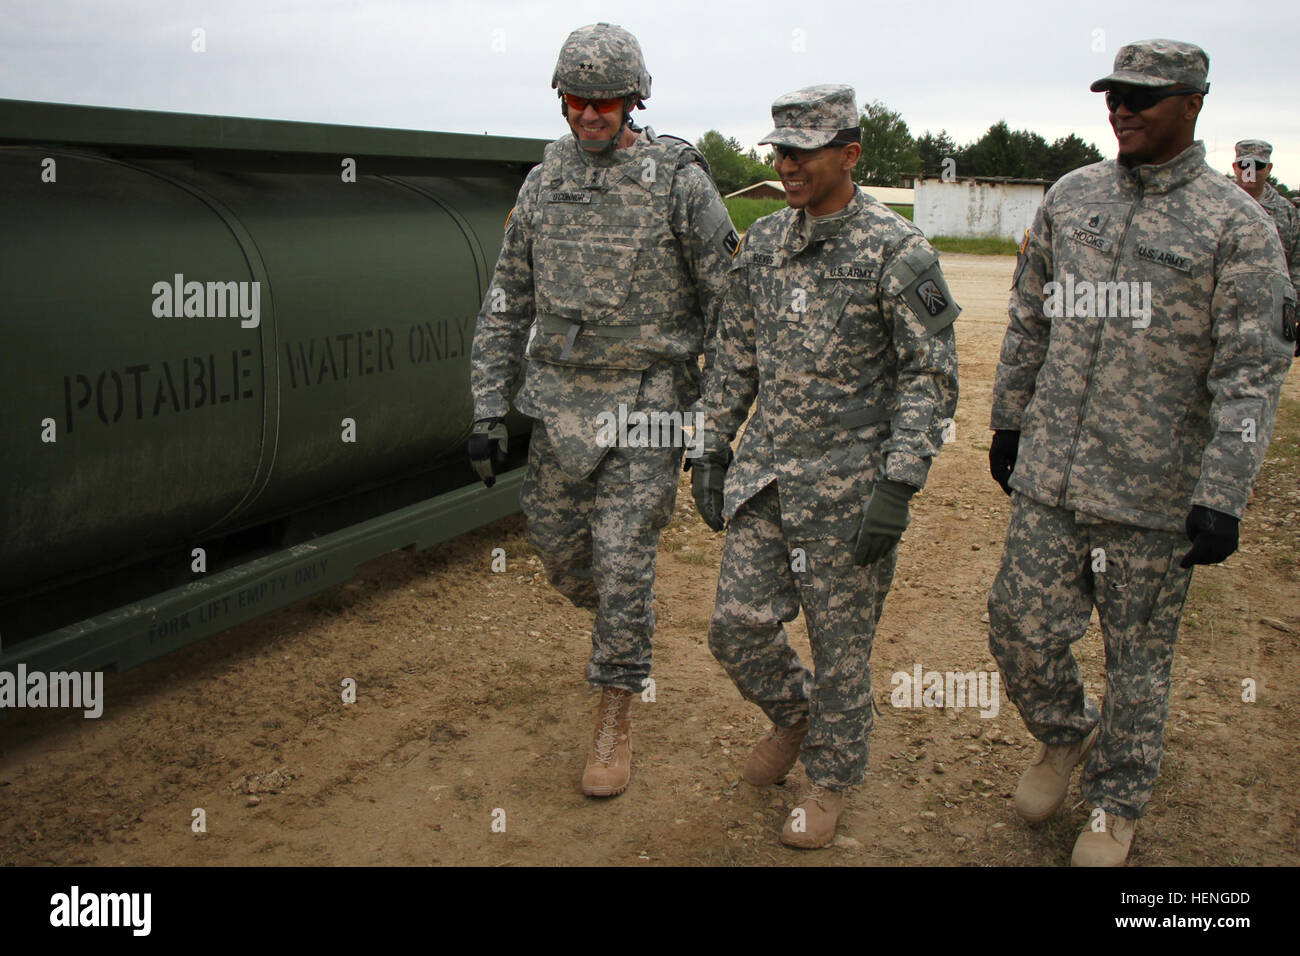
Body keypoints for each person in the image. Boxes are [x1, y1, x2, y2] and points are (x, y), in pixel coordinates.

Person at [987, 39, 1295, 866]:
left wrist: (1224, 491)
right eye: (1113, 94)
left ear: (1194, 103)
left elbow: (1250, 373)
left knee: (1137, 663)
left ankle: (1115, 805)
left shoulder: (1240, 228)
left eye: (1143, 97)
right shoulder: (1071, 196)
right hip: (1053, 474)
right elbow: (1029, 316)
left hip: (1156, 496)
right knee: (1017, 627)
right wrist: (1009, 417)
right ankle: (1063, 733)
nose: (1121, 108)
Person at [467, 23, 736, 798]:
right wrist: (488, 407)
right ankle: (628, 615)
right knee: (559, 554)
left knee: (621, 559)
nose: (589, 115)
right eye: (576, 100)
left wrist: (713, 430)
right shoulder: (542, 179)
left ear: (635, 99)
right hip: (560, 405)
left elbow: (729, 308)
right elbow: (505, 299)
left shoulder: (679, 179)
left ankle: (616, 706)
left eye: (605, 100)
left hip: (648, 401)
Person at [693, 84, 959, 848]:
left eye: (803, 151)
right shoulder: (767, 242)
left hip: (853, 489)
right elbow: (734, 355)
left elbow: (931, 375)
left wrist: (900, 481)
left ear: (849, 154)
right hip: (770, 479)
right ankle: (795, 714)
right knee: (734, 625)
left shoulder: (898, 249)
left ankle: (833, 776)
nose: (788, 165)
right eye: (780, 152)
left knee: (842, 646)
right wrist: (710, 444)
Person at [1232, 139, 1300, 332]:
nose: (1250, 171)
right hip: (1225, 312)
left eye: (1258, 166)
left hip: (1271, 315)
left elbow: (1295, 265)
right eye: (1245, 165)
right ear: (1235, 167)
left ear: (1269, 168)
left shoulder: (1287, 212)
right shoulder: (1214, 205)